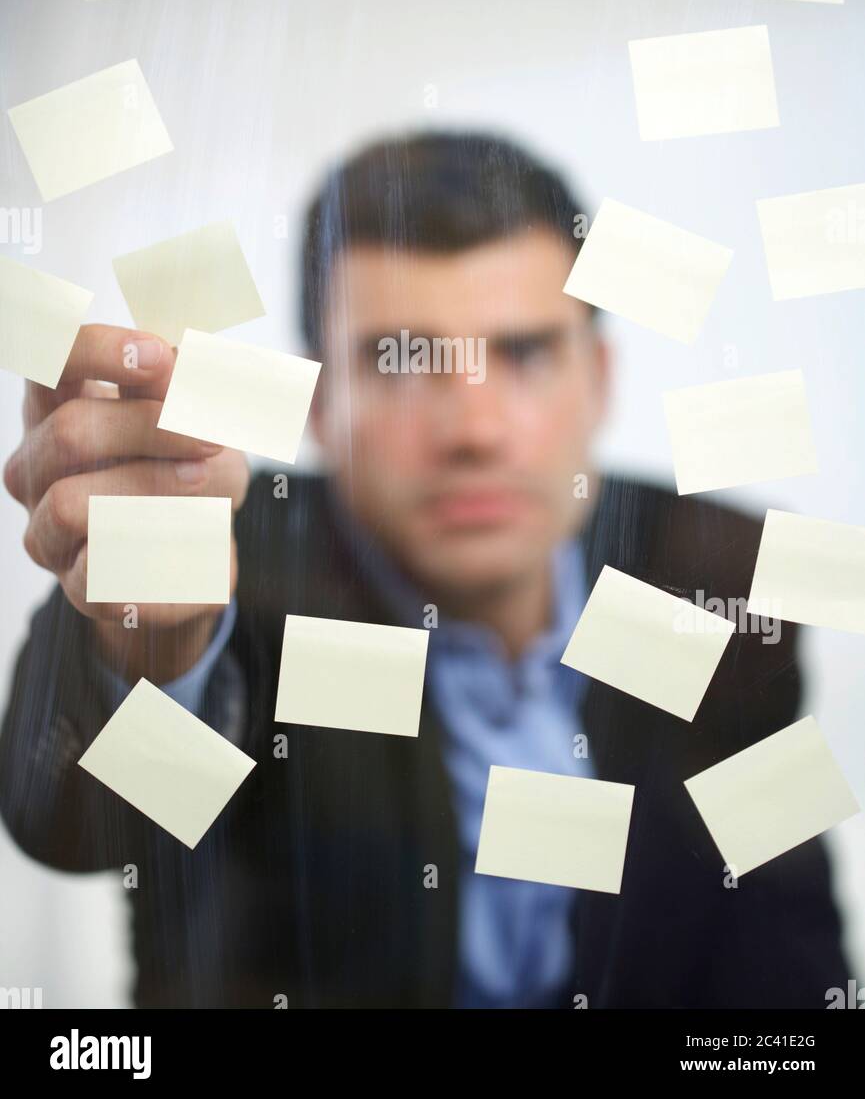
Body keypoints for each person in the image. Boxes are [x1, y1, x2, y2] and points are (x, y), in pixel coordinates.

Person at [0, 131, 850, 1009]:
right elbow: (66, 824)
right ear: (323, 408)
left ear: (596, 380)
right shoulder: (229, 565)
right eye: (400, 359)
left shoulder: (718, 580)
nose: (473, 430)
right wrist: (154, 643)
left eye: (521, 354)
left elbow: (784, 953)